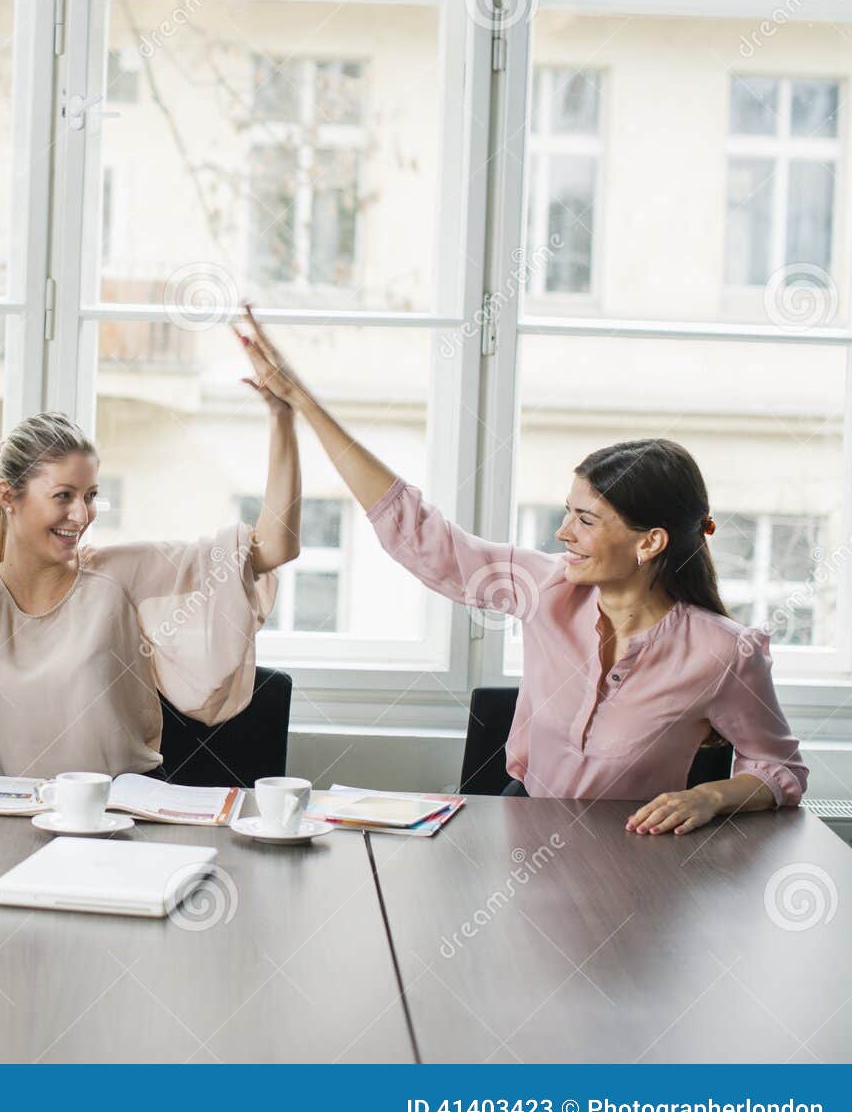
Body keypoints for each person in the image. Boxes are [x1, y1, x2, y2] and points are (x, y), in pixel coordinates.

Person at [234, 305, 806, 835]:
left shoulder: (723, 653)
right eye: (567, 514)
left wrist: (712, 796)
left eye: (586, 520)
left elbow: (778, 766)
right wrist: (302, 403)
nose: (563, 534)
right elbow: (420, 534)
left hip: (634, 858)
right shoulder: (545, 587)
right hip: (524, 833)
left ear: (649, 542)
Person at [0, 337, 298, 778]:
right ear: (7, 497)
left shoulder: (121, 576)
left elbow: (272, 547)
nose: (81, 515)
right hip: (20, 835)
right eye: (63, 495)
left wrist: (283, 415)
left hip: (128, 829)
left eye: (91, 495)